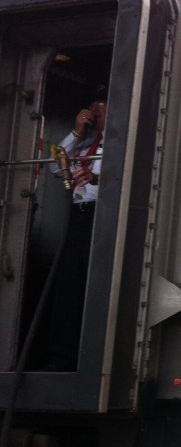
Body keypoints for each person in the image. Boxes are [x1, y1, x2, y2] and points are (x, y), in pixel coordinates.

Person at [44, 94, 106, 371]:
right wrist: (77, 130)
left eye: (101, 106)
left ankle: (96, 361)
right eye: (91, 106)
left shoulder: (122, 142)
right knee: (69, 286)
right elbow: (55, 166)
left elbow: (128, 176)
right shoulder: (82, 144)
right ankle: (62, 360)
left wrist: (98, 178)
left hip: (104, 217)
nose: (93, 110)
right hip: (78, 218)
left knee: (98, 289)